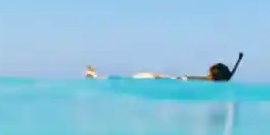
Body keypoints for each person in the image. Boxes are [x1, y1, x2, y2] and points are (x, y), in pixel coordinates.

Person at [87, 53, 243, 82]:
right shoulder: (207, 82)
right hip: (156, 78)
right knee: (125, 80)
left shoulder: (207, 81)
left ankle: (95, 76)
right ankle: (95, 77)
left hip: (158, 78)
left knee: (125, 80)